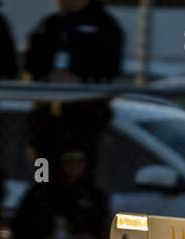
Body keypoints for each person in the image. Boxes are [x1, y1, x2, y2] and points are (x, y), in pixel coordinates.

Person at [24, 0, 124, 181]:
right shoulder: (50, 24)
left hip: (84, 118)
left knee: (77, 170)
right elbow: (30, 61)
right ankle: (42, 189)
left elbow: (110, 67)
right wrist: (48, 76)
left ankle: (76, 197)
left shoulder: (104, 25)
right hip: (48, 118)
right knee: (43, 167)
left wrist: (80, 78)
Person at [12, 142, 110, 239]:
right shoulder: (40, 194)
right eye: (68, 160)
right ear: (60, 163)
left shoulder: (95, 198)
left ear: (86, 164)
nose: (74, 164)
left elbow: (103, 234)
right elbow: (21, 227)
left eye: (79, 160)